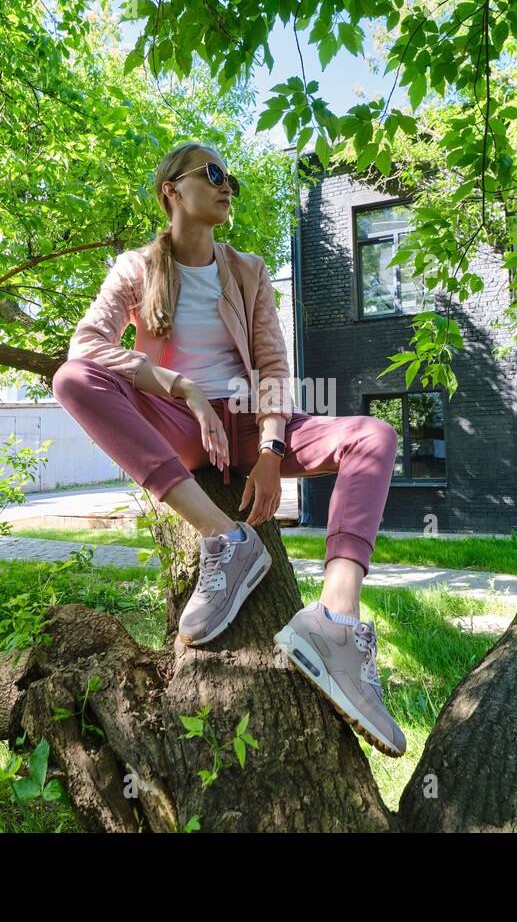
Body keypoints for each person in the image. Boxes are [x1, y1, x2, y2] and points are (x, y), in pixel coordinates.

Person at [52, 141, 405, 756]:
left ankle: (336, 622)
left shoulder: (248, 269)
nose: (227, 187)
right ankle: (228, 540)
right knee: (72, 380)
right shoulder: (136, 269)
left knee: (374, 435)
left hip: (251, 419)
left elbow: (271, 363)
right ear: (171, 189)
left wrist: (272, 451)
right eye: (213, 174)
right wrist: (180, 386)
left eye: (231, 179)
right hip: (182, 423)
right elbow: (86, 350)